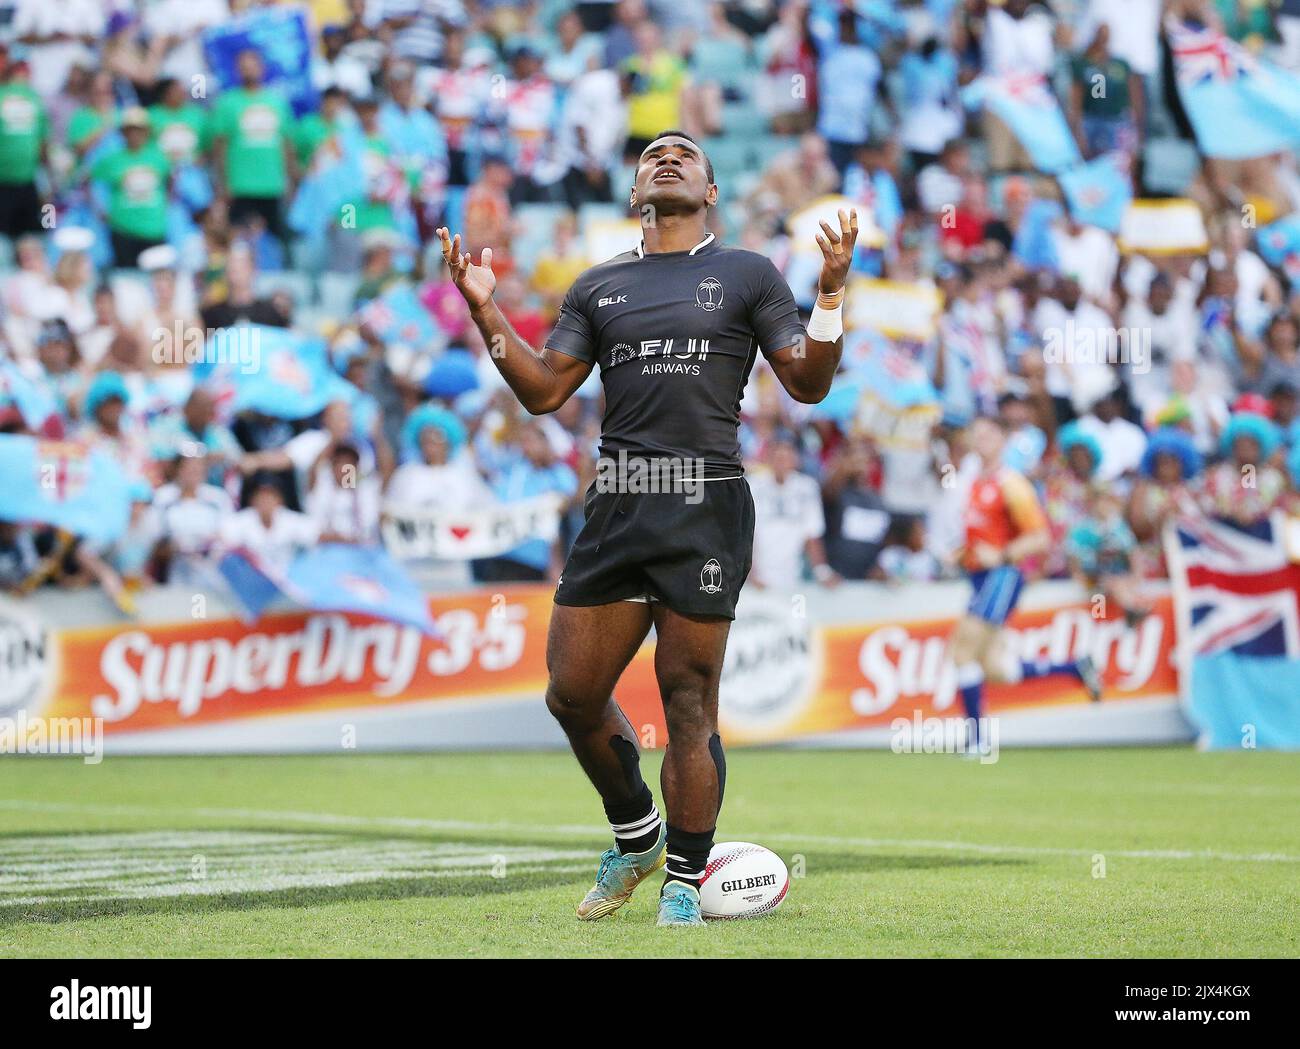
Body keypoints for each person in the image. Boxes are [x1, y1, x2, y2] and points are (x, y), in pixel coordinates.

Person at [437, 130, 857, 926]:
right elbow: (542, 392)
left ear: (710, 193)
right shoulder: (598, 287)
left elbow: (807, 381)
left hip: (706, 500)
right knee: (572, 694)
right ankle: (637, 837)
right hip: (621, 498)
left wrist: (830, 294)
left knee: (689, 700)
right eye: (651, 155)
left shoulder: (748, 274)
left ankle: (684, 884)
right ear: (634, 194)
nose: (666, 157)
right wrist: (484, 307)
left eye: (686, 154)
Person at [949, 416, 1101, 754]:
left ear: (1003, 440)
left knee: (960, 652)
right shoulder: (975, 483)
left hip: (1001, 578)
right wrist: (960, 555)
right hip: (980, 578)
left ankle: (977, 741)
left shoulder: (1011, 483)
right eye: (978, 433)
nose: (982, 439)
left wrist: (1001, 556)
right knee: (994, 668)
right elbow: (981, 537)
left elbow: (1040, 538)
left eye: (989, 433)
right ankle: (1074, 666)